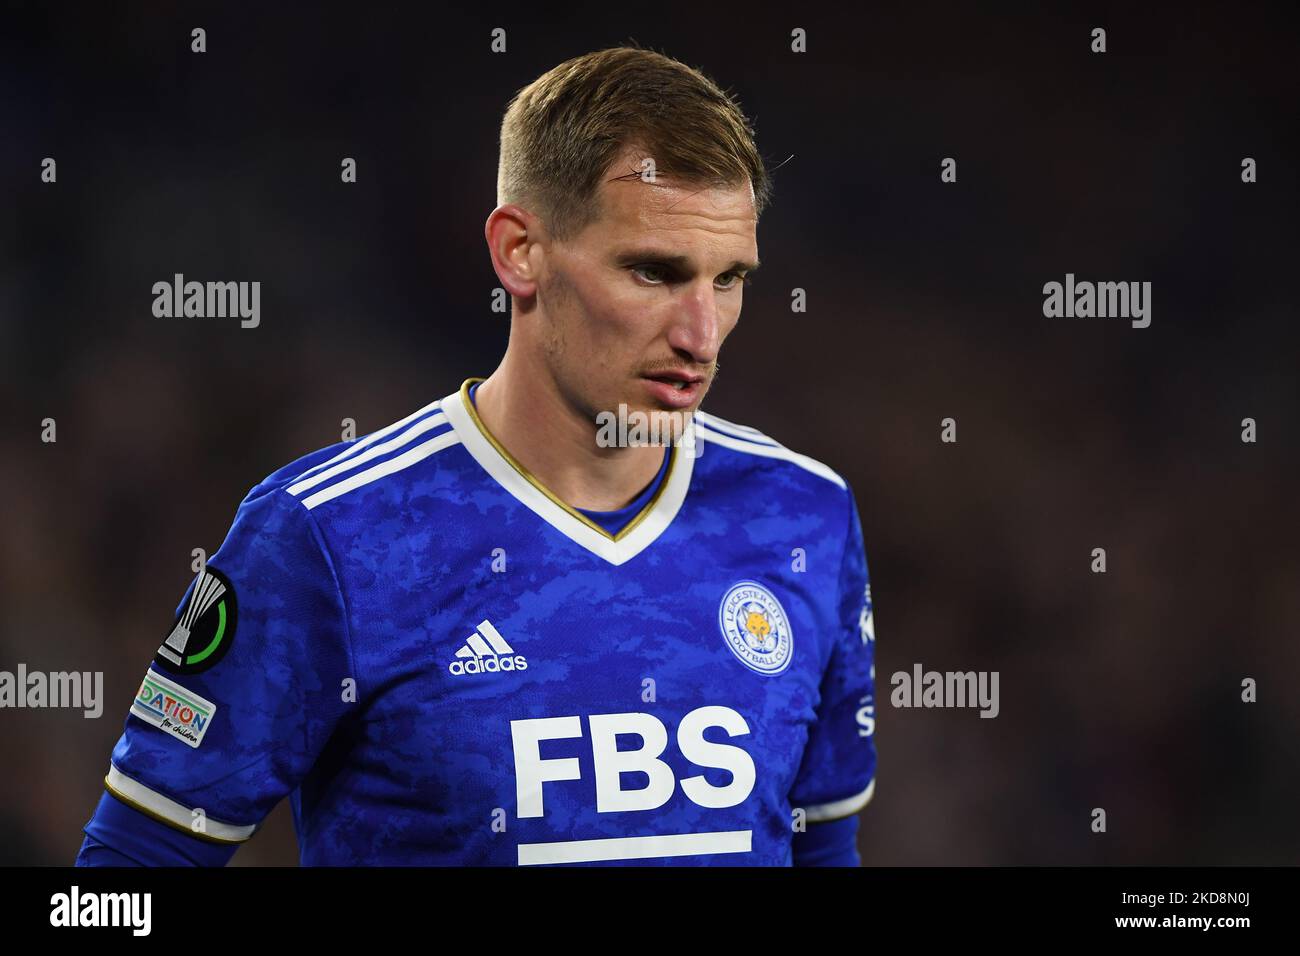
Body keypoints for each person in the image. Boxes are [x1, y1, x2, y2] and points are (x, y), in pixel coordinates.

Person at [76, 44, 877, 867]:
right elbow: (127, 875)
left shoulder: (802, 514)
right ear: (519, 252)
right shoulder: (327, 537)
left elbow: (822, 850)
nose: (700, 335)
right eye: (653, 272)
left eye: (729, 279)